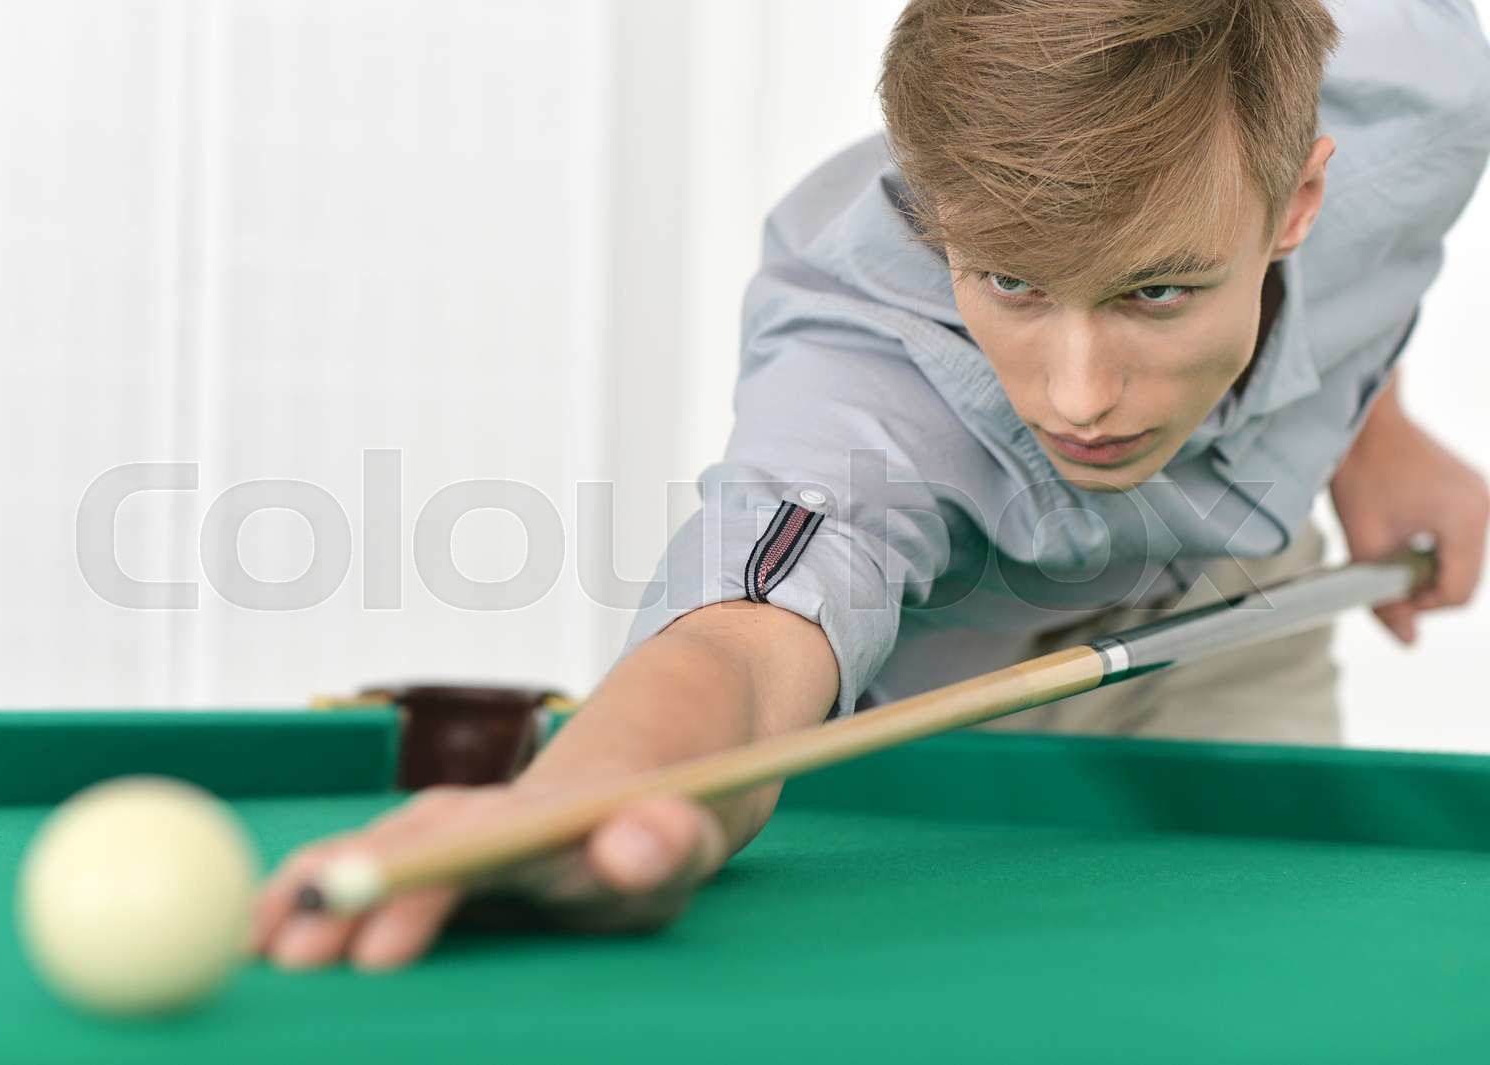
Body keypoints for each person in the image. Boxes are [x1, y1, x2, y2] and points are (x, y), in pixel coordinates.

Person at [254, 0, 1490, 970]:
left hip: (1233, 606)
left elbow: (1371, 261)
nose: (1075, 397)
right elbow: (745, 639)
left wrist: (1372, 428)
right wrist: (585, 797)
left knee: (1254, 983)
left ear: (1299, 201)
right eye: (1007, 282)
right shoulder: (862, 367)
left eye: (1154, 293)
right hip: (960, 707)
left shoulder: (1422, 86)